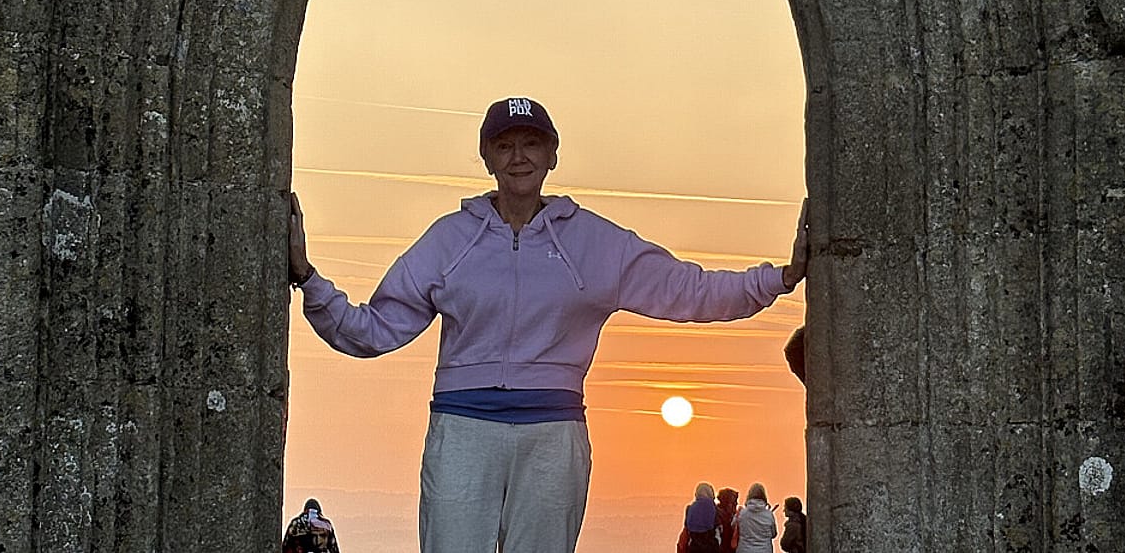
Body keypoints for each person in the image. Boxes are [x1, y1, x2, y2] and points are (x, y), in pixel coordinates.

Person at [288, 96, 810, 553]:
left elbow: (687, 289)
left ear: (552, 155)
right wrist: (307, 278)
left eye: (532, 143)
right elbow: (374, 329)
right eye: (506, 144)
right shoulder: (449, 240)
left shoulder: (593, 244)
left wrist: (778, 279)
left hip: (554, 435)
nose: (519, 156)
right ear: (487, 157)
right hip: (464, 431)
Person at [733, 483, 777, 553]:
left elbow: (733, 526)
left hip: (744, 550)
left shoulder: (742, 513)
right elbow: (774, 534)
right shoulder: (769, 515)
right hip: (765, 550)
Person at [681, 482, 722, 553]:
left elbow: (687, 528)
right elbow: (719, 527)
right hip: (711, 547)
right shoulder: (714, 508)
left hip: (694, 547)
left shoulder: (690, 508)